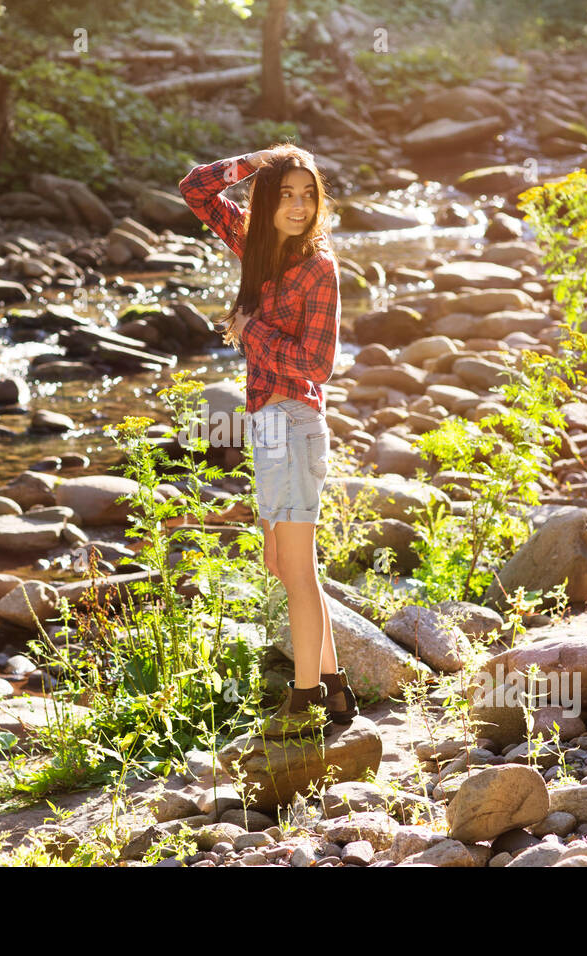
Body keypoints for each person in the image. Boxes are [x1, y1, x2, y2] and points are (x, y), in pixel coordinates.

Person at [178, 144, 357, 738]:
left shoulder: (319, 266)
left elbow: (319, 363)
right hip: (266, 424)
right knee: (282, 562)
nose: (300, 206)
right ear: (267, 198)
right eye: (287, 194)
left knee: (299, 571)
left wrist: (252, 330)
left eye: (309, 195)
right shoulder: (255, 245)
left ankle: (304, 698)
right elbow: (196, 189)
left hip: (296, 421)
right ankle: (334, 688)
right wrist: (264, 158)